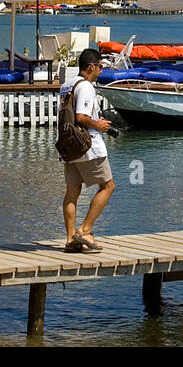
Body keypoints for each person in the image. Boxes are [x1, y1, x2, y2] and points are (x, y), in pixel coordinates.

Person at [62, 48, 114, 252]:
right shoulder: (85, 86)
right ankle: (85, 230)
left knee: (72, 192)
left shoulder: (68, 84)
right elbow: (81, 117)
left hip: (69, 146)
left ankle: (70, 239)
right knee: (108, 187)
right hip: (88, 145)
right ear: (91, 67)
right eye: (100, 67)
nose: (101, 71)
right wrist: (99, 125)